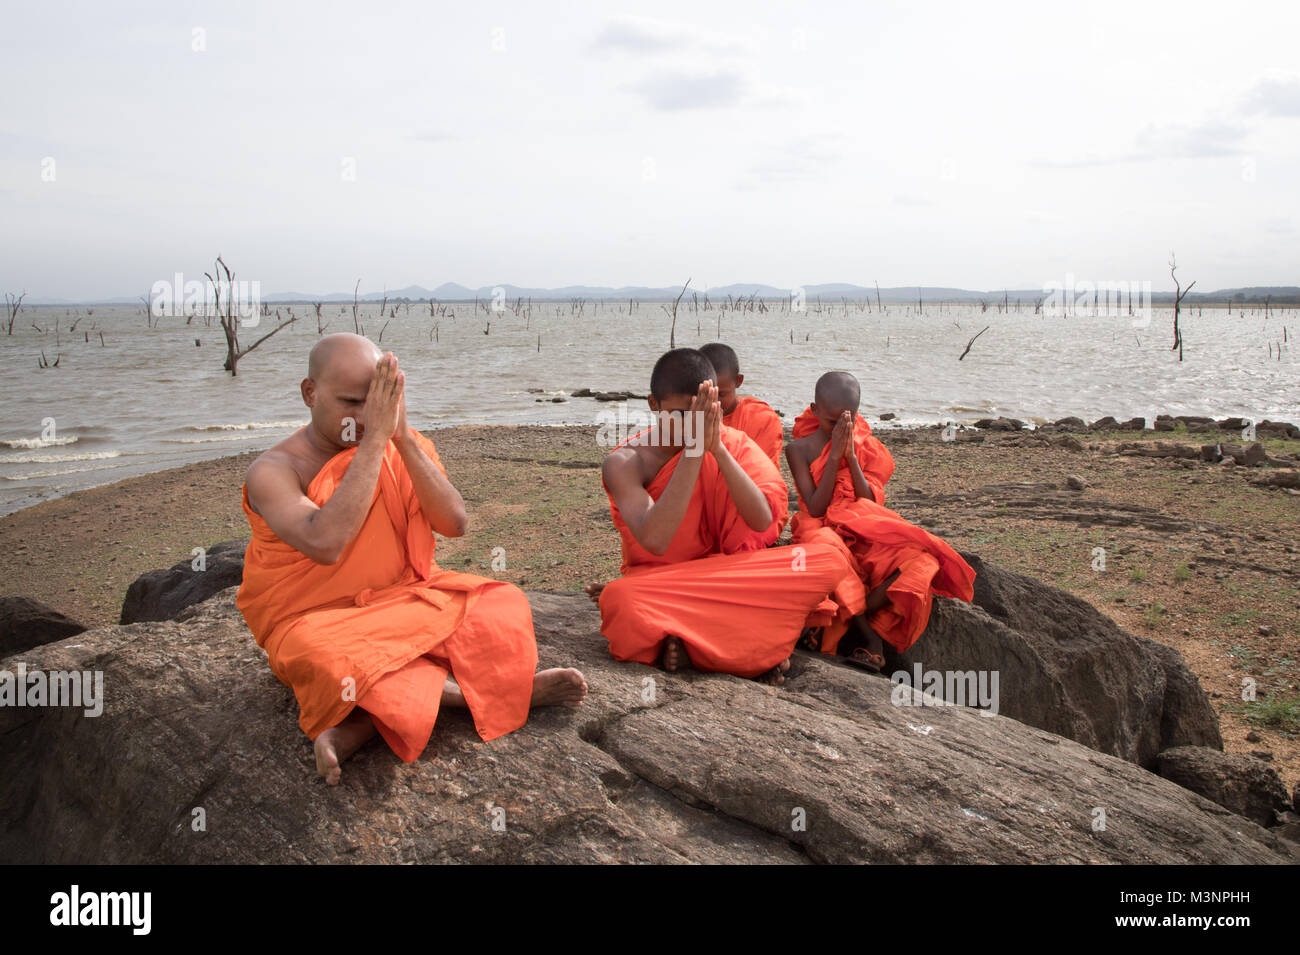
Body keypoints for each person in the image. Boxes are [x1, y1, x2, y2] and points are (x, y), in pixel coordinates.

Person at [237, 333, 586, 785]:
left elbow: (454, 522)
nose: (366, 416)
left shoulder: (397, 442)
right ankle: (476, 696)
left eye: (378, 401)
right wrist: (375, 442)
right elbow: (324, 543)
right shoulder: (274, 470)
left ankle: (360, 726)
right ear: (310, 393)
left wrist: (400, 440)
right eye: (351, 402)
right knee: (328, 658)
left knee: (500, 604)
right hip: (316, 618)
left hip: (404, 598)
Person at [591, 348, 865, 685]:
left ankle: (691, 641)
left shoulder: (733, 444)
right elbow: (655, 540)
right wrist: (694, 451)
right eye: (679, 414)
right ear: (653, 405)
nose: (690, 425)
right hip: (666, 583)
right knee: (621, 600)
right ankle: (748, 649)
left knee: (827, 557)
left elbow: (761, 520)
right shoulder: (625, 462)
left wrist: (716, 448)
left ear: (714, 409)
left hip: (725, 581)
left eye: (700, 414)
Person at [784, 371, 976, 671]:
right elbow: (816, 507)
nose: (839, 429)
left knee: (921, 560)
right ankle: (868, 636)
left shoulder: (863, 444)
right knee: (828, 554)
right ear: (814, 409)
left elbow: (869, 501)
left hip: (861, 522)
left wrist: (849, 455)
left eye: (847, 421)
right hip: (821, 527)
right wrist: (833, 459)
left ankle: (838, 617)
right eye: (832, 422)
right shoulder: (798, 449)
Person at [699, 342, 784, 469]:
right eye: (705, 394)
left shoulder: (762, 420)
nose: (713, 402)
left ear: (738, 381)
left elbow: (762, 475)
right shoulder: (683, 416)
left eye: (721, 394)